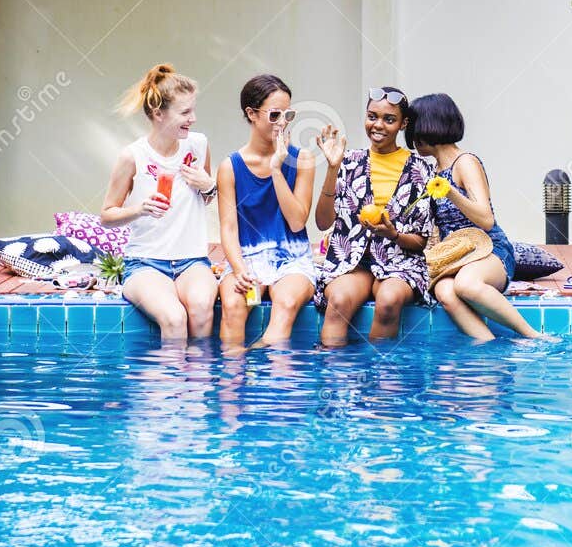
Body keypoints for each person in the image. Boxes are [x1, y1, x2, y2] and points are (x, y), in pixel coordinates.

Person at [407, 91, 545, 342]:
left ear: (429, 127)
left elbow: (486, 219)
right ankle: (488, 349)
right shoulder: (433, 169)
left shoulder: (465, 162)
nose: (412, 138)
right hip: (457, 256)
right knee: (445, 292)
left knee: (465, 285)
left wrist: (451, 194)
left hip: (490, 251)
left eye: (414, 129)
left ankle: (533, 337)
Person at [101, 64, 218, 344]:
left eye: (193, 109)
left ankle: (196, 387)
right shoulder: (133, 157)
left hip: (192, 260)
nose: (194, 118)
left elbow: (209, 196)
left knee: (202, 310)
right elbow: (107, 215)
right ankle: (166, 388)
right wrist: (140, 209)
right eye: (185, 112)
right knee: (175, 319)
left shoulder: (198, 145)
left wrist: (209, 186)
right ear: (158, 114)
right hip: (145, 263)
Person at [315, 87, 432, 346]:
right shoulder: (348, 161)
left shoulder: (420, 169)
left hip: (400, 263)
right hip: (351, 263)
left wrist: (394, 235)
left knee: (389, 301)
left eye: (389, 119)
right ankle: (336, 382)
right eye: (372, 116)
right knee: (339, 301)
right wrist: (332, 169)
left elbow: (421, 241)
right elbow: (323, 222)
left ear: (403, 124)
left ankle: (380, 378)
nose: (378, 125)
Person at [216, 73, 318, 348]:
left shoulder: (302, 159)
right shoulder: (230, 167)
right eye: (275, 115)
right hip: (247, 259)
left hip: (292, 258)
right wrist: (239, 269)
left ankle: (273, 386)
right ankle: (233, 382)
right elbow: (228, 227)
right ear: (251, 114)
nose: (282, 123)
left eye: (289, 115)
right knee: (235, 307)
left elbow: (297, 222)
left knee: (284, 304)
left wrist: (276, 169)